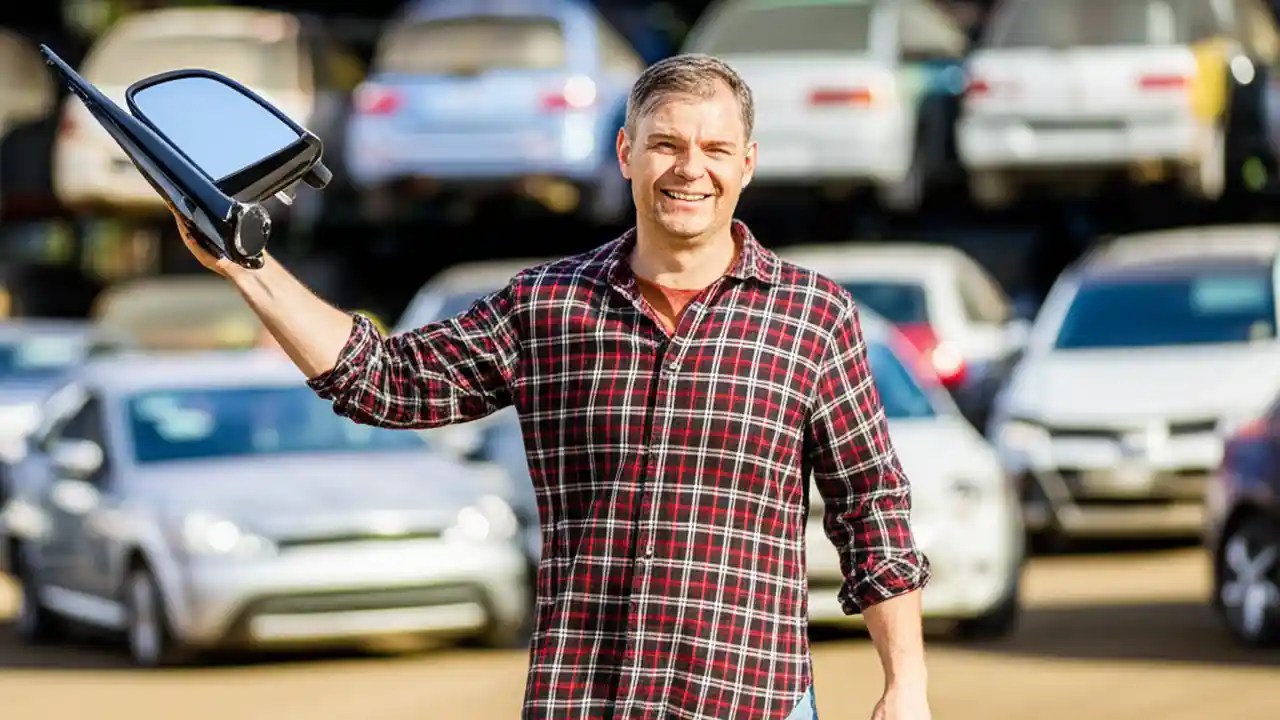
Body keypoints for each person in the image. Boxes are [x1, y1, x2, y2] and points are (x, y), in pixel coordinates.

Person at [169, 53, 932, 720]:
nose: (689, 168)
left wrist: (907, 686)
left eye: (714, 148)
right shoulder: (548, 306)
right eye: (665, 144)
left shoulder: (811, 315)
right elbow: (384, 383)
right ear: (627, 152)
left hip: (751, 698)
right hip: (589, 698)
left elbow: (871, 506)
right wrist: (246, 264)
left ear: (747, 163)